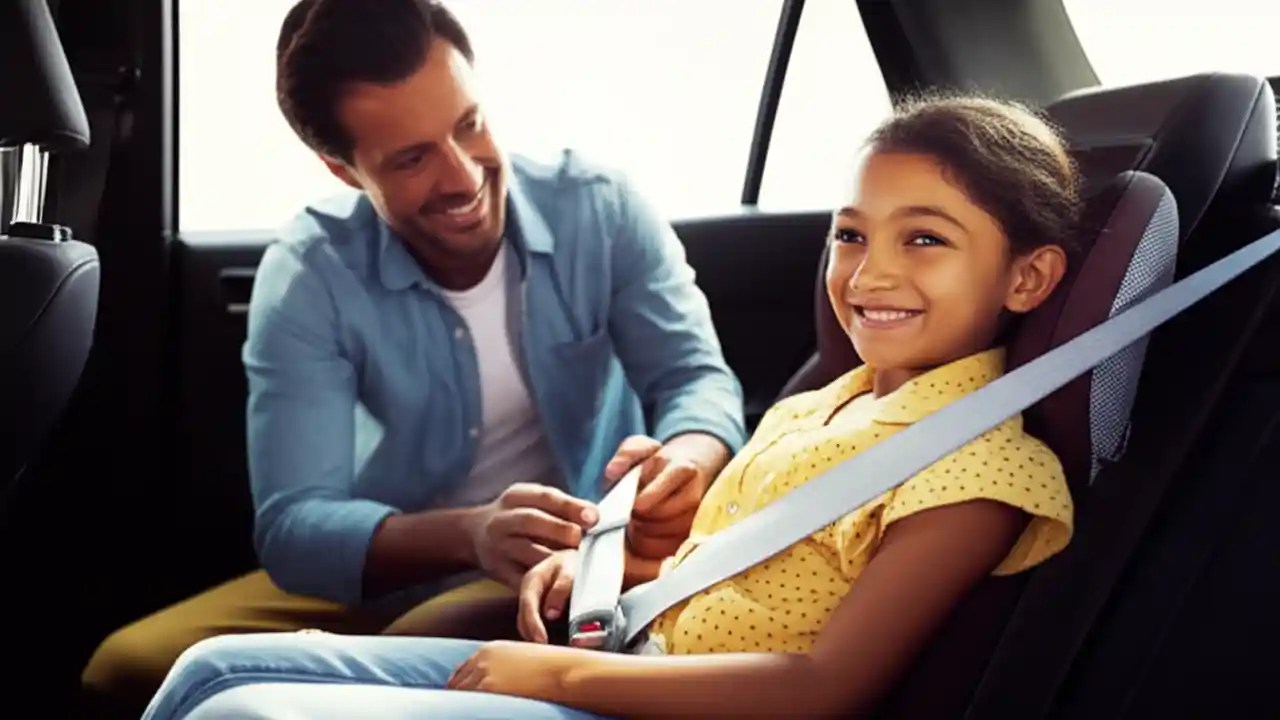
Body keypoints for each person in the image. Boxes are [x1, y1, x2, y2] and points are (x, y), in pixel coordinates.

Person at [140, 93, 1085, 720]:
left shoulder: (980, 469)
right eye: (850, 234)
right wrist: (611, 571)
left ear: (1030, 276)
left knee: (239, 711)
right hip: (623, 662)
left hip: (637, 701)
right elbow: (725, 562)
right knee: (208, 670)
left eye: (925, 239)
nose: (869, 271)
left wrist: (561, 672)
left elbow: (824, 689)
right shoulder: (825, 408)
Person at [80, 0, 746, 712]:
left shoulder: (599, 208)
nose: (462, 176)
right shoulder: (310, 273)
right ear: (343, 170)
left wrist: (688, 459)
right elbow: (294, 525)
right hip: (394, 557)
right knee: (124, 666)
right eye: (413, 158)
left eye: (469, 125)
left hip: (572, 561)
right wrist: (470, 533)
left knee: (408, 650)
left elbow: (696, 380)